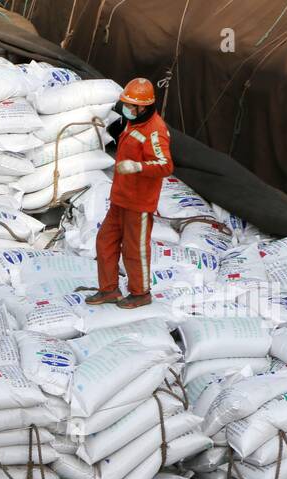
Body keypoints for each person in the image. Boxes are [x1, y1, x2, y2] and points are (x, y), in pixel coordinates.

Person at [85, 77, 173, 310]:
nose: (126, 109)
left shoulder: (155, 130)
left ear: (142, 107)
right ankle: (109, 289)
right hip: (120, 198)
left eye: (130, 105)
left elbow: (165, 165)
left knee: (134, 249)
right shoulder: (133, 123)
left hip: (139, 203)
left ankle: (140, 293)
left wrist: (138, 167)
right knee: (105, 241)